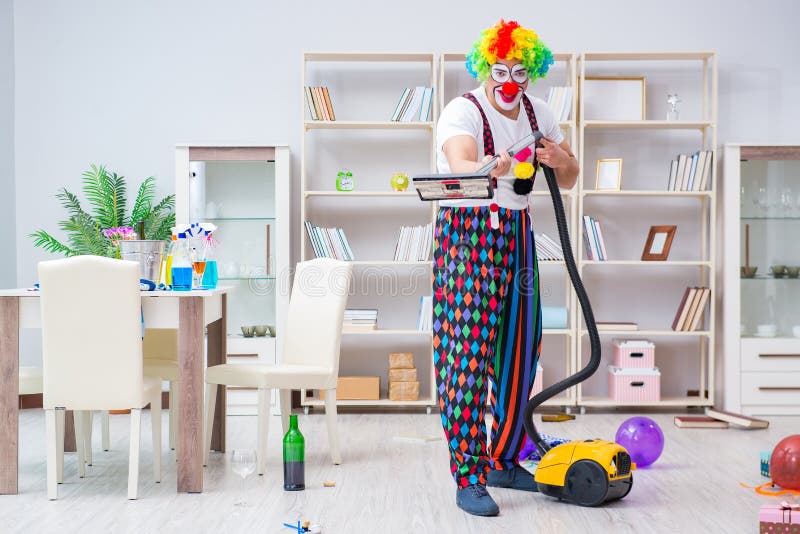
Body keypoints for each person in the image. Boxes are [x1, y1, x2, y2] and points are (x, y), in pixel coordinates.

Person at [432, 19, 579, 516]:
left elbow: (572, 175)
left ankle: (504, 457)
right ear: (486, 70)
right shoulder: (463, 109)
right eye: (500, 70)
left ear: (531, 72)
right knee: (467, 357)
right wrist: (483, 168)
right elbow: (458, 161)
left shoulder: (541, 112)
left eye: (519, 69)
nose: (509, 79)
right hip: (469, 237)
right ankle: (468, 474)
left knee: (520, 351)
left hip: (517, 236)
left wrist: (559, 157)